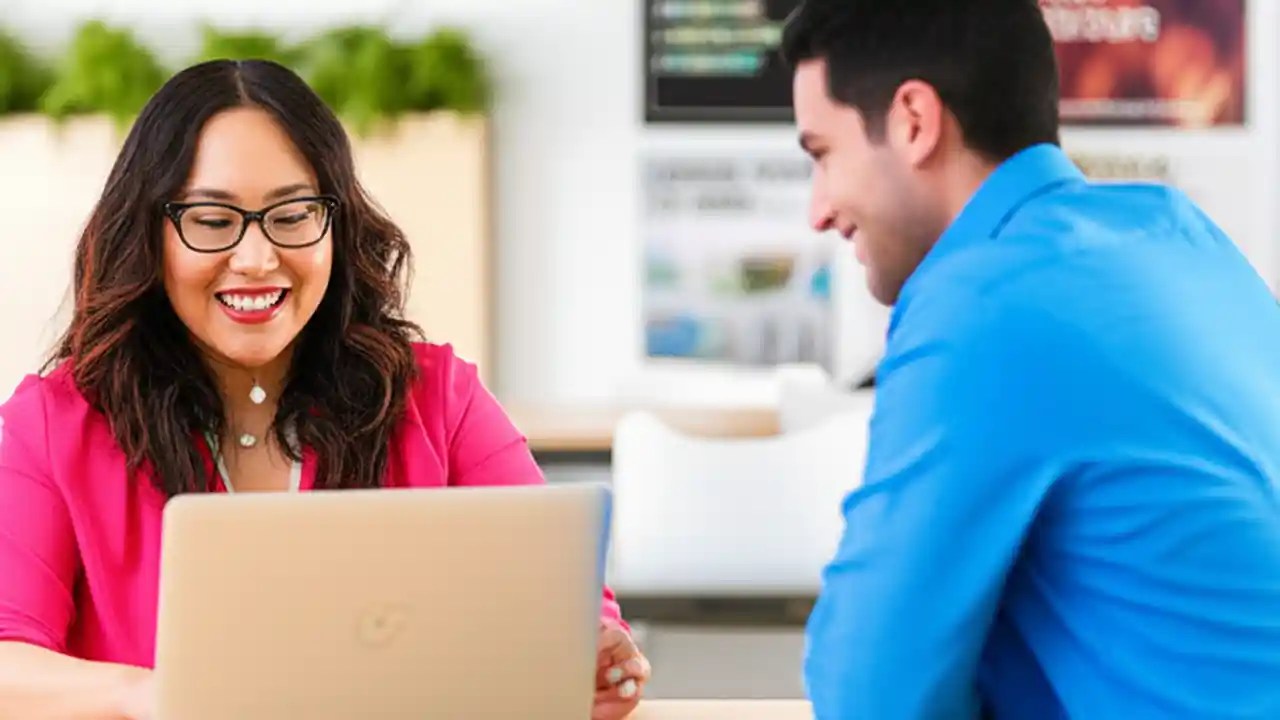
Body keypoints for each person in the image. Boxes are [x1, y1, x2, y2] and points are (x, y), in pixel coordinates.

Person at [0, 59, 650, 719]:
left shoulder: (438, 399)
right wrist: (154, 695)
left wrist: (596, 653)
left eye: (292, 213)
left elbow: (566, 606)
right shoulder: (52, 425)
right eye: (211, 219)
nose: (256, 258)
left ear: (336, 224)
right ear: (148, 234)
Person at [782, 1, 1280, 717]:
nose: (818, 209)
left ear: (913, 121)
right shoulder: (1180, 236)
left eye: (822, 154)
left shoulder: (983, 299)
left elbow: (869, 694)